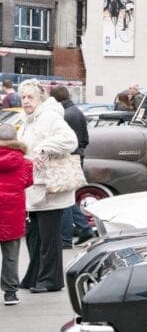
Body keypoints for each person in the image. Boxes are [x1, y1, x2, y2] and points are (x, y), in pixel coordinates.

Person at [17, 80, 78, 294]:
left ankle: (51, 280)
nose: (25, 101)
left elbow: (70, 140)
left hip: (51, 189)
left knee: (48, 238)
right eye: (23, 97)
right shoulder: (29, 119)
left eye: (30, 97)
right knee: (34, 236)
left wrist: (43, 148)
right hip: (35, 189)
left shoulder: (49, 116)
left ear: (40, 98)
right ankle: (34, 276)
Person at [49, 86, 95, 246]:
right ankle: (84, 229)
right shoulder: (77, 111)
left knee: (65, 198)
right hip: (78, 155)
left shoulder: (64, 115)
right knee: (68, 197)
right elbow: (86, 138)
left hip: (68, 158)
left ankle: (66, 239)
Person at [0, 123, 32, 305]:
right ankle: (10, 293)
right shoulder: (25, 163)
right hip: (13, 213)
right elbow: (27, 182)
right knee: (11, 255)